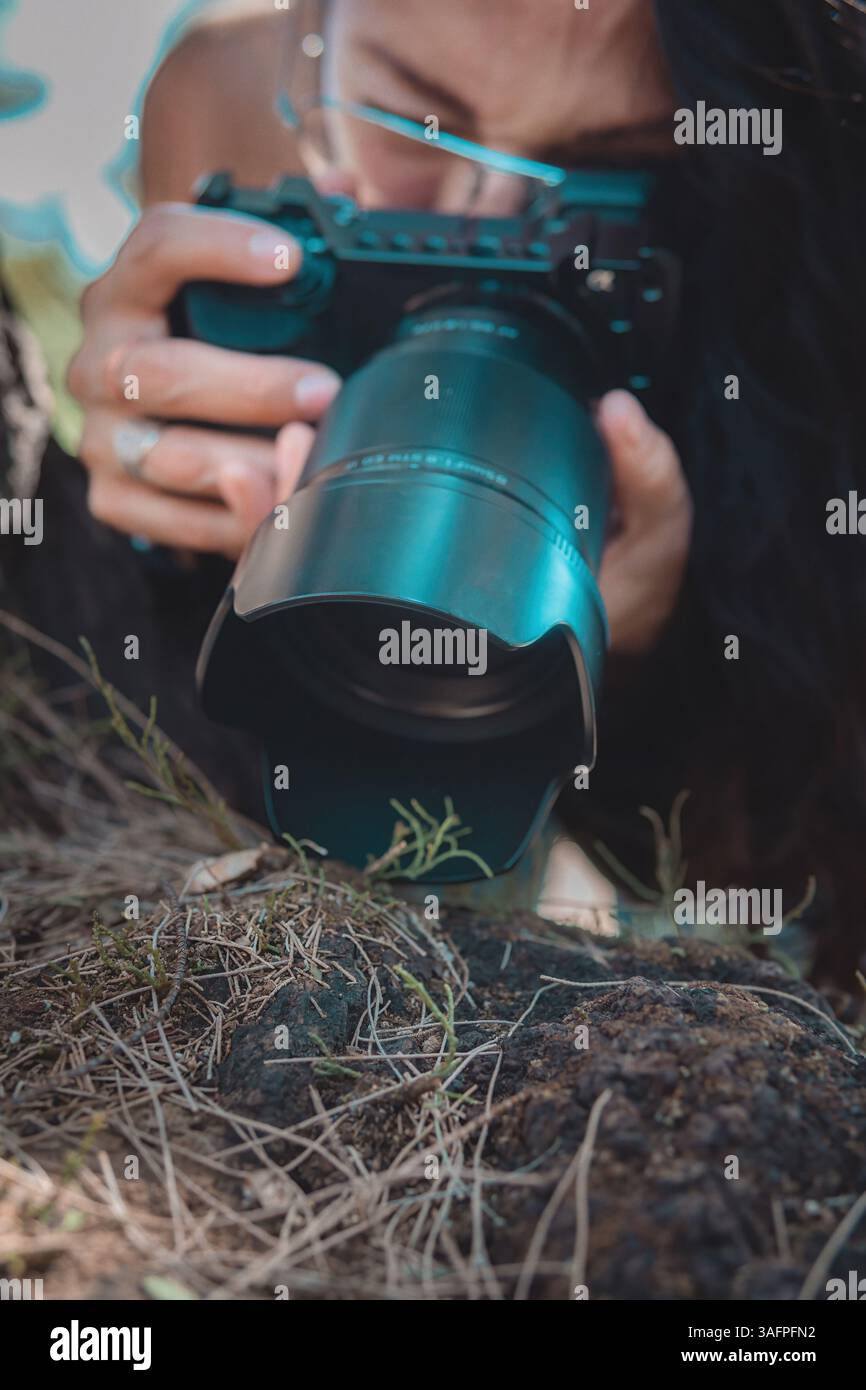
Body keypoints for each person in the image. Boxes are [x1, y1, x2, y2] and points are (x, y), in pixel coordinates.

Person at [63, 0, 866, 982]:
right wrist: (160, 479)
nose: (485, 220)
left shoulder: (812, 244)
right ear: (310, 32)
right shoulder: (222, 98)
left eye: (611, 161)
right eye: (414, 119)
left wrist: (655, 666)